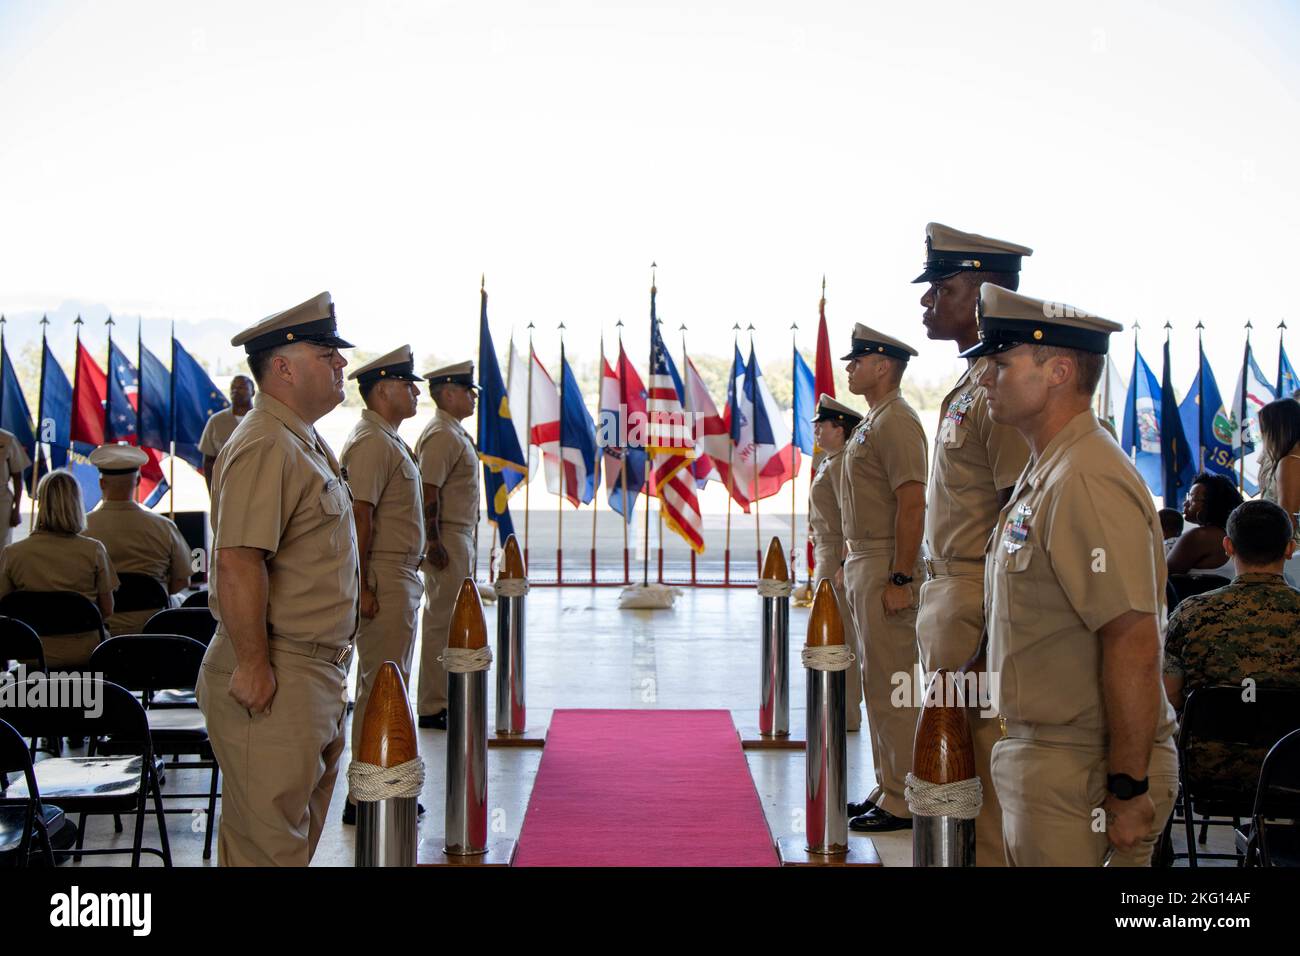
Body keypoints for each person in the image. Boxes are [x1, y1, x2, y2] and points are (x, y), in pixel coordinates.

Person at [972, 283, 1179, 866]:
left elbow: (1132, 638)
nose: (985, 377)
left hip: (1082, 769)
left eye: (1000, 362)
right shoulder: (1054, 469)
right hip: (1051, 760)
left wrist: (1128, 788)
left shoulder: (1083, 478)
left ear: (1058, 371)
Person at [195, 291, 359, 867]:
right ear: (284, 366)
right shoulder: (267, 440)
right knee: (267, 852)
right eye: (326, 352)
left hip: (311, 673)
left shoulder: (300, 438)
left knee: (284, 848)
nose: (341, 363)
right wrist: (254, 665)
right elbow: (239, 559)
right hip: (277, 673)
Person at [910, 222, 1032, 864]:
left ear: (984, 290)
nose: (927, 304)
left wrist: (995, 629)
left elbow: (1019, 511)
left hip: (976, 595)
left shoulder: (1003, 383)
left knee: (980, 756)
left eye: (942, 289)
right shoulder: (972, 381)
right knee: (955, 753)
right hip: (952, 595)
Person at [838, 323, 927, 834]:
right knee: (876, 679)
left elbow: (911, 501)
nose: (850, 368)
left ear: (883, 365)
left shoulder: (897, 421)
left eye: (858, 360)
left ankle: (903, 796)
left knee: (894, 682)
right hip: (864, 559)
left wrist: (899, 575)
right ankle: (889, 784)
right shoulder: (875, 421)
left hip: (884, 560)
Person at [338, 345, 425, 824]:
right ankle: (368, 796)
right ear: (384, 389)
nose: (415, 392)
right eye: (408, 384)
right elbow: (360, 518)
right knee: (381, 686)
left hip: (396, 574)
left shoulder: (386, 438)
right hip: (383, 575)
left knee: (393, 683)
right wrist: (362, 586)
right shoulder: (372, 440)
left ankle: (384, 782)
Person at [1164, 499, 1300, 787]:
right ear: (1290, 548)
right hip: (1292, 767)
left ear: (1228, 547)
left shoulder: (1191, 615)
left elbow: (1169, 698)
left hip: (1207, 768)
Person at [414, 360, 480, 730]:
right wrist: (434, 540)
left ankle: (443, 697)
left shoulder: (452, 431)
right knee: (442, 621)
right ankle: (433, 703)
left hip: (458, 534)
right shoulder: (442, 433)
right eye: (467, 392)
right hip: (448, 536)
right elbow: (428, 490)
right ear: (449, 393)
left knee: (453, 619)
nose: (472, 399)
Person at [0, 469, 117, 668]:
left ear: (41, 504)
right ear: (76, 505)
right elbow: (107, 610)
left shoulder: (13, 553)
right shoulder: (94, 550)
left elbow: (4, 607)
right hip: (85, 654)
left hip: (32, 653)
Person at [84, 443, 191, 635]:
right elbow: (182, 581)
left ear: (101, 483)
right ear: (139, 480)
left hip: (100, 627)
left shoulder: (82, 529)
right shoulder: (164, 527)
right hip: (153, 627)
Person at [807, 393, 864, 731]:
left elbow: (850, 518)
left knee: (841, 637)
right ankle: (835, 709)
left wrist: (844, 563)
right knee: (828, 635)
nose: (816, 431)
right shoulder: (831, 461)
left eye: (822, 426)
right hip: (825, 552)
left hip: (835, 555)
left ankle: (846, 714)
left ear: (840, 429)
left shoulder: (844, 463)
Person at [1166, 473, 1242, 576]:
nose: (1185, 504)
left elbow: (1162, 576)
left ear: (1211, 503)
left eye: (1192, 499)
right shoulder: (1234, 535)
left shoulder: (1199, 536)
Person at [199, 374, 256, 489]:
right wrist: (213, 493)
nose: (236, 391)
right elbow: (209, 462)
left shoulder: (264, 419)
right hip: (226, 489)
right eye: (233, 387)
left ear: (253, 392)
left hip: (259, 489)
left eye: (241, 387)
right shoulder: (216, 422)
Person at [1258, 397, 1300, 536]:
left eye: (1265, 428)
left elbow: (1288, 520)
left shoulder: (1290, 462)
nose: (1262, 435)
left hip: (1289, 551)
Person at [0, 427, 31, 552]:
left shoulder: (7, 439)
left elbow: (18, 477)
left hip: (2, 503)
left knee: (2, 548)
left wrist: (16, 509)